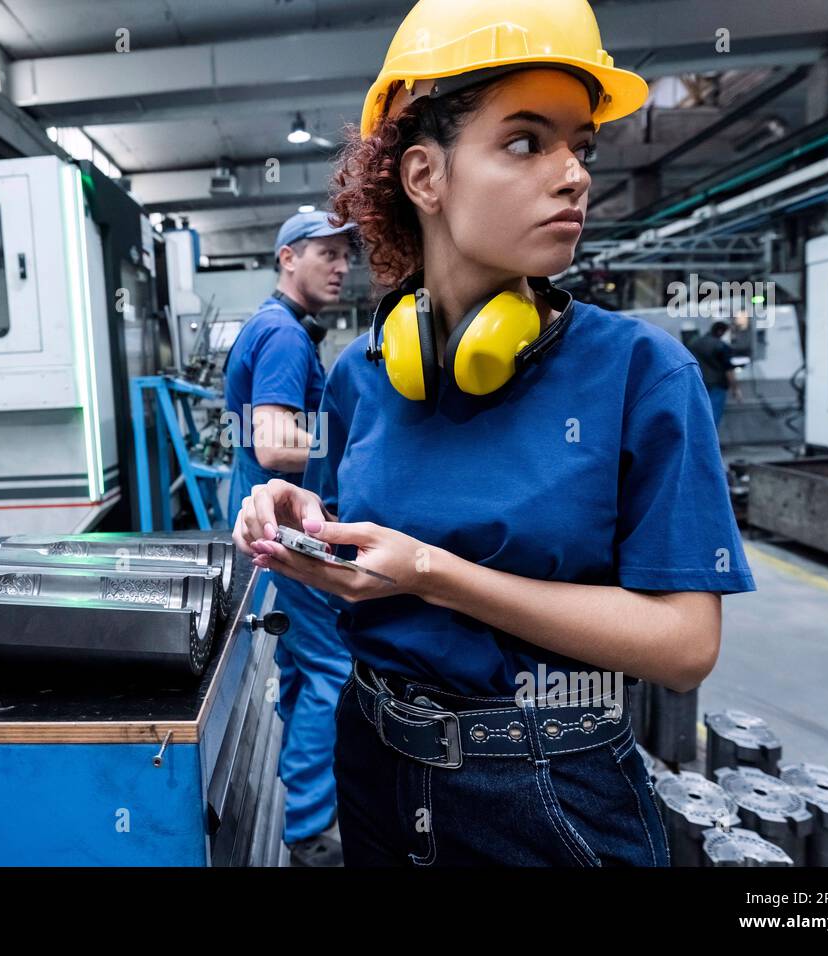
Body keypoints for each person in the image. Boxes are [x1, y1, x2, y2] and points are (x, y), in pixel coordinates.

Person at [232, 0, 756, 866]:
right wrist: (289, 518)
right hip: (375, 759)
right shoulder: (366, 374)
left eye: (579, 146)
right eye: (527, 142)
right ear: (425, 177)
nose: (574, 175)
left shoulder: (640, 373)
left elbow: (684, 646)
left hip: (548, 790)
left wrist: (436, 574)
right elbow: (337, 529)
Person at [223, 209, 355, 866]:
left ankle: (300, 794)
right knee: (335, 667)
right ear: (286, 258)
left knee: (304, 664)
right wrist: (361, 450)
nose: (341, 266)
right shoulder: (283, 337)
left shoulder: (269, 328)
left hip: (267, 531)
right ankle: (309, 827)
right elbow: (274, 446)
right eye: (325, 253)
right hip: (287, 533)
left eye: (345, 255)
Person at [688, 320, 742, 427]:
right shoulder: (721, 346)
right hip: (717, 385)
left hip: (699, 384)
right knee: (713, 420)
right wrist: (735, 389)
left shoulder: (695, 343)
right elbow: (728, 370)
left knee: (699, 418)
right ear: (720, 332)